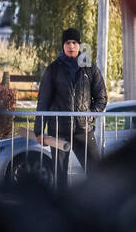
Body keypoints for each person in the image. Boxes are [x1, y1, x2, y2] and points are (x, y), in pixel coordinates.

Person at [34, 27, 106, 188]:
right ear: (63, 45)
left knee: (97, 173)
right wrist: (39, 130)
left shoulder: (90, 68)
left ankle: (97, 209)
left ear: (79, 45)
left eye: (74, 42)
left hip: (84, 130)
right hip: (59, 130)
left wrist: (90, 115)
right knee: (59, 177)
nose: (71, 46)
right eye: (68, 42)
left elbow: (101, 98)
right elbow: (43, 102)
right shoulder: (53, 69)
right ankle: (61, 210)